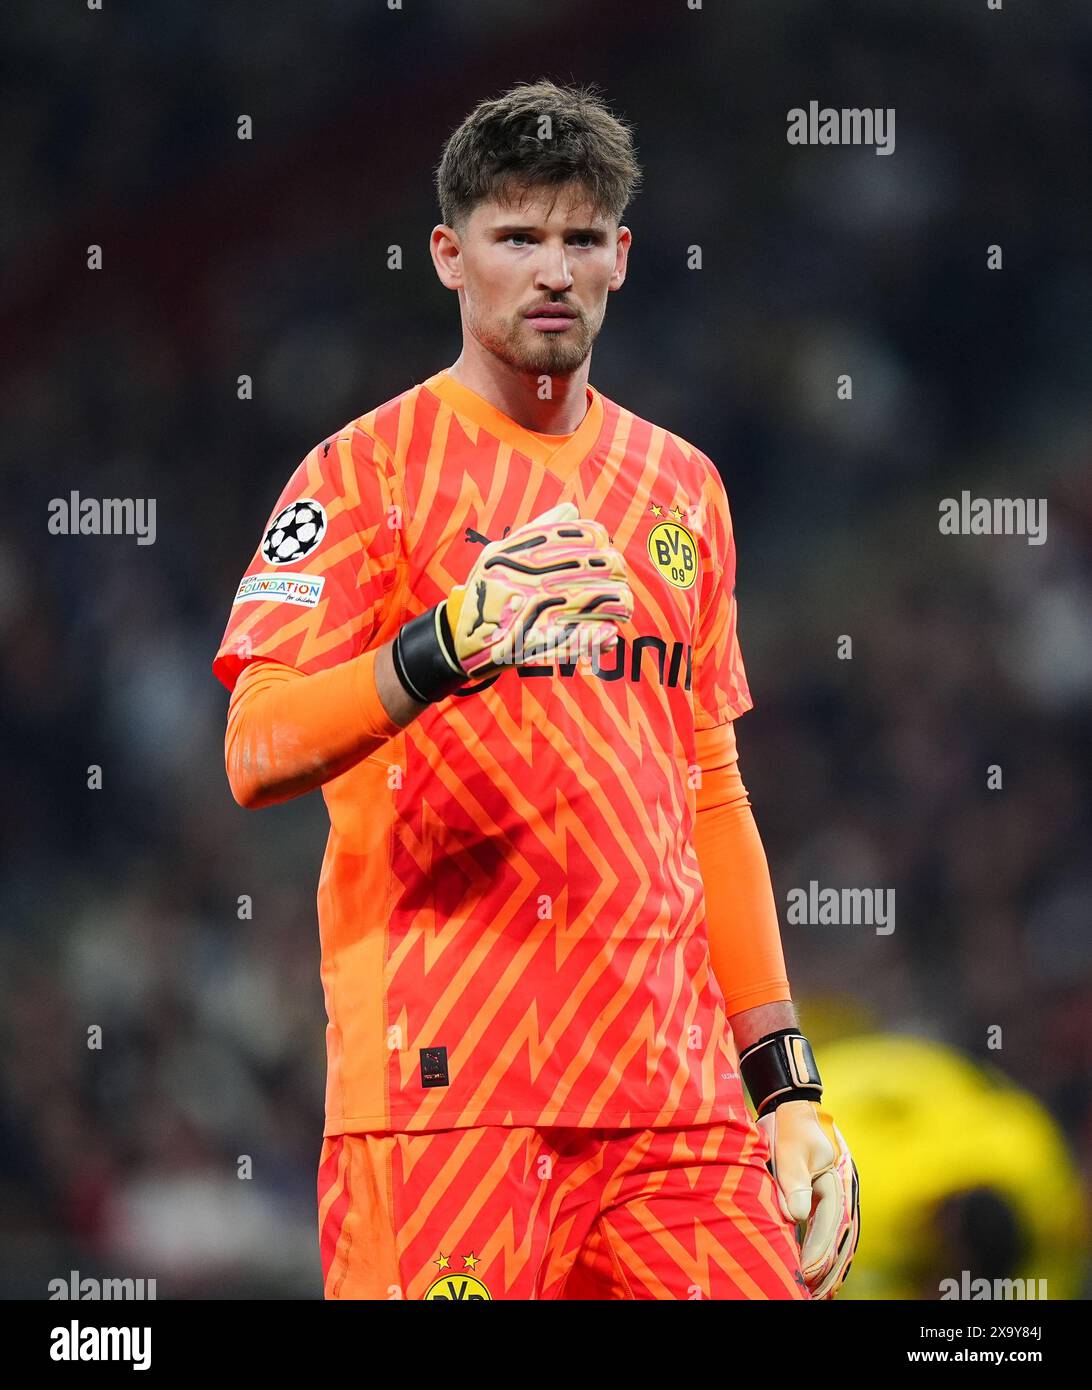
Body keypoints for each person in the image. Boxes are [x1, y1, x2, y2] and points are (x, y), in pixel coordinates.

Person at [213, 78, 858, 1300]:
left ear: (621, 258)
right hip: (447, 1105)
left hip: (677, 1107)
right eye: (517, 236)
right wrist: (443, 644)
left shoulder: (683, 488)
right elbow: (256, 749)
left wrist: (785, 1087)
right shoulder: (361, 474)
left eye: (579, 238)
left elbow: (712, 795)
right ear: (449, 256)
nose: (552, 271)